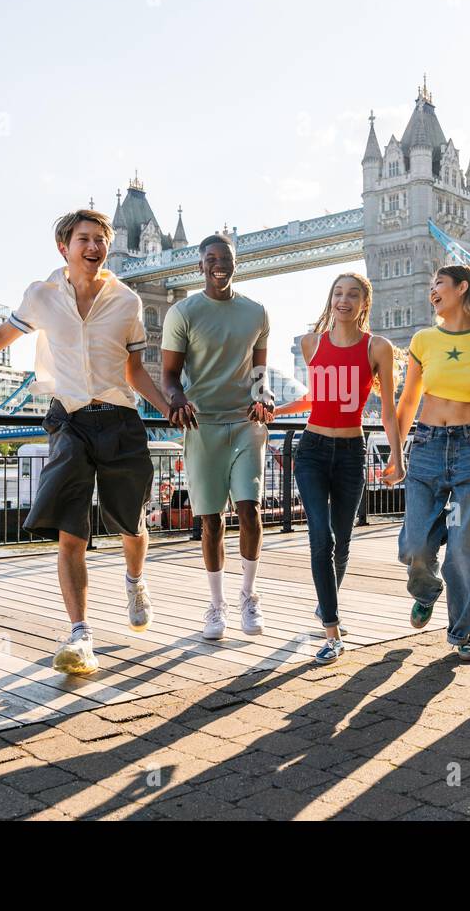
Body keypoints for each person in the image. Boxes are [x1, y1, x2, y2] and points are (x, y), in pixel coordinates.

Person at [0, 209, 172, 676]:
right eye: (85, 239)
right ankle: (80, 636)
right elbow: (2, 334)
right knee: (70, 531)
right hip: (69, 420)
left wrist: (168, 406)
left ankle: (135, 580)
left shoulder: (128, 301)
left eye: (101, 239)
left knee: (131, 525)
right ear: (64, 246)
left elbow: (135, 370)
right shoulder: (41, 294)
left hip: (120, 419)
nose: (94, 247)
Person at [392, 264, 470, 662]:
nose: (432, 290)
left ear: (462, 288)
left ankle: (462, 631)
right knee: (415, 545)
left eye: (439, 284)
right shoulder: (423, 339)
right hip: (427, 447)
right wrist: (397, 454)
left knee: (467, 551)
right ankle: (426, 591)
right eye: (431, 284)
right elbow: (408, 400)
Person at [276, 273, 402, 664]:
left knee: (343, 541)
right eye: (337, 294)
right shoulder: (310, 344)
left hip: (351, 451)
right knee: (322, 537)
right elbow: (319, 397)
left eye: (352, 295)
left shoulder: (377, 347)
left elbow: (388, 410)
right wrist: (279, 411)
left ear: (365, 303)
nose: (343, 300)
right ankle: (331, 629)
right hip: (312, 449)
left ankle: (324, 604)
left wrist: (397, 457)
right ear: (330, 299)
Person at [161, 233, 274, 641]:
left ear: (235, 263)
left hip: (246, 422)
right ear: (200, 266)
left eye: (225, 258)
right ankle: (216, 604)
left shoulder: (257, 313)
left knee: (250, 511)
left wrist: (265, 397)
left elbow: (260, 374)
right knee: (211, 521)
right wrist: (176, 399)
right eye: (210, 259)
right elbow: (170, 376)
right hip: (202, 424)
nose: (218, 265)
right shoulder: (182, 312)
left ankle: (249, 595)